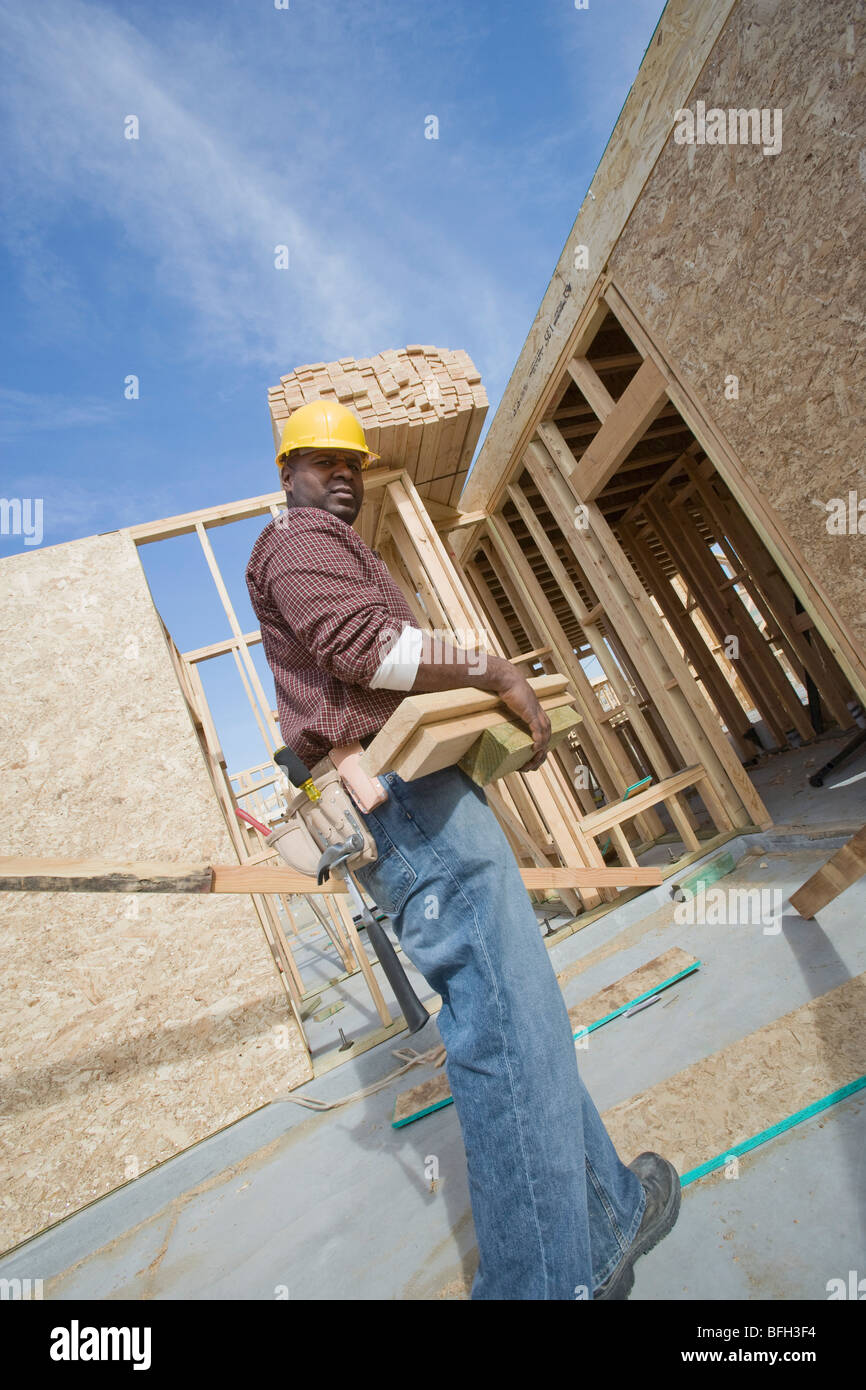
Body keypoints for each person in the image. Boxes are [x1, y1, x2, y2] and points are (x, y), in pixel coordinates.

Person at [245, 398, 681, 1300]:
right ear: (285, 472)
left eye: (352, 464)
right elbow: (363, 649)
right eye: (320, 461)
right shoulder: (295, 542)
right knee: (504, 1028)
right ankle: (545, 1284)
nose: (341, 476)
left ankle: (604, 1213)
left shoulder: (330, 547)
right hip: (402, 800)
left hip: (415, 791)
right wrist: (489, 667)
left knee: (520, 1018)